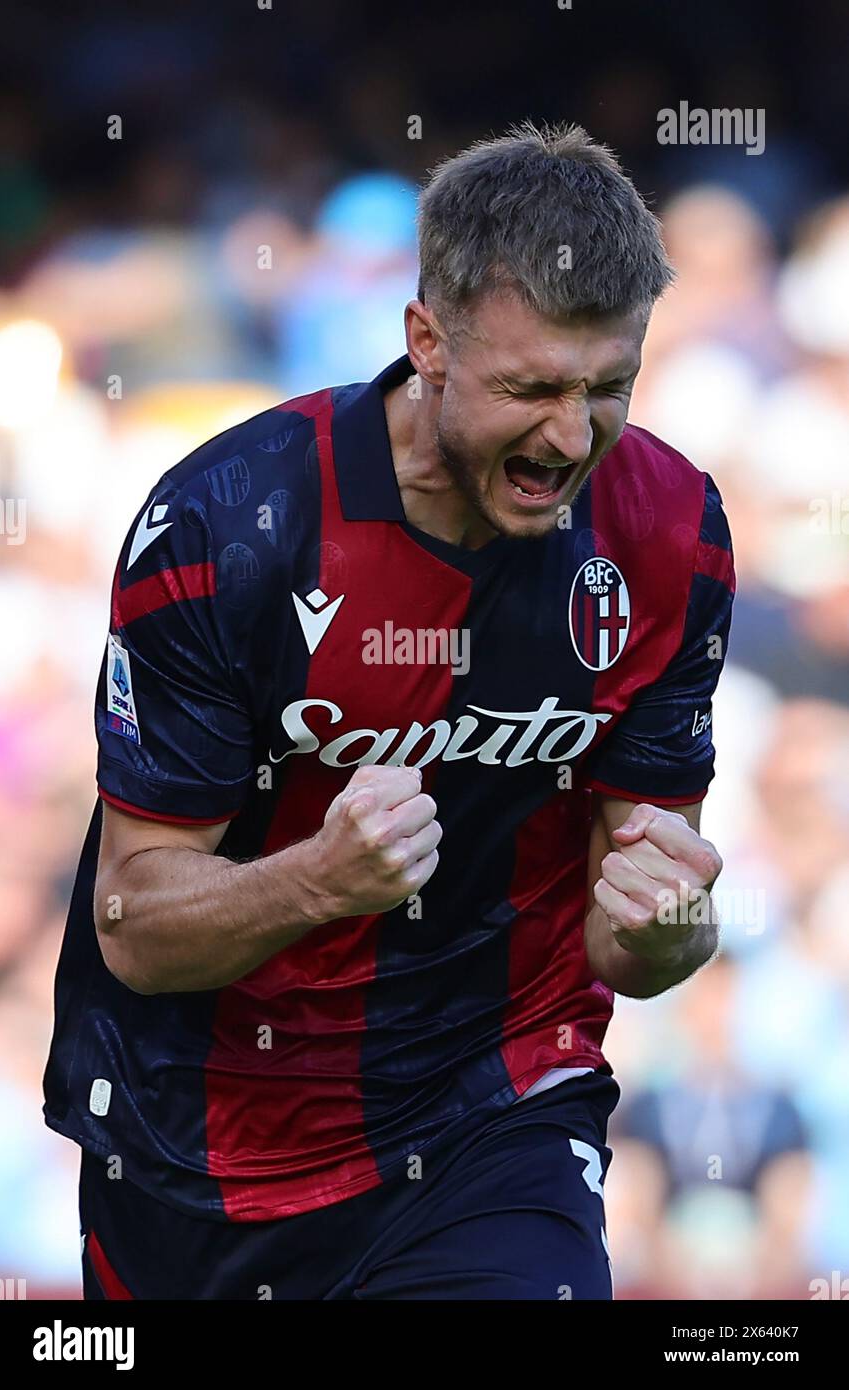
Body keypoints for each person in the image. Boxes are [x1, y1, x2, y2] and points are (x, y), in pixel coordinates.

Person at [43, 120, 735, 1301]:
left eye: (607, 388)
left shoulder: (668, 533)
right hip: (197, 1150)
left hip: (492, 1114)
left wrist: (675, 930)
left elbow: (631, 927)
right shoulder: (230, 525)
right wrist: (316, 879)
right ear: (425, 342)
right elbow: (135, 926)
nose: (571, 437)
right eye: (530, 388)